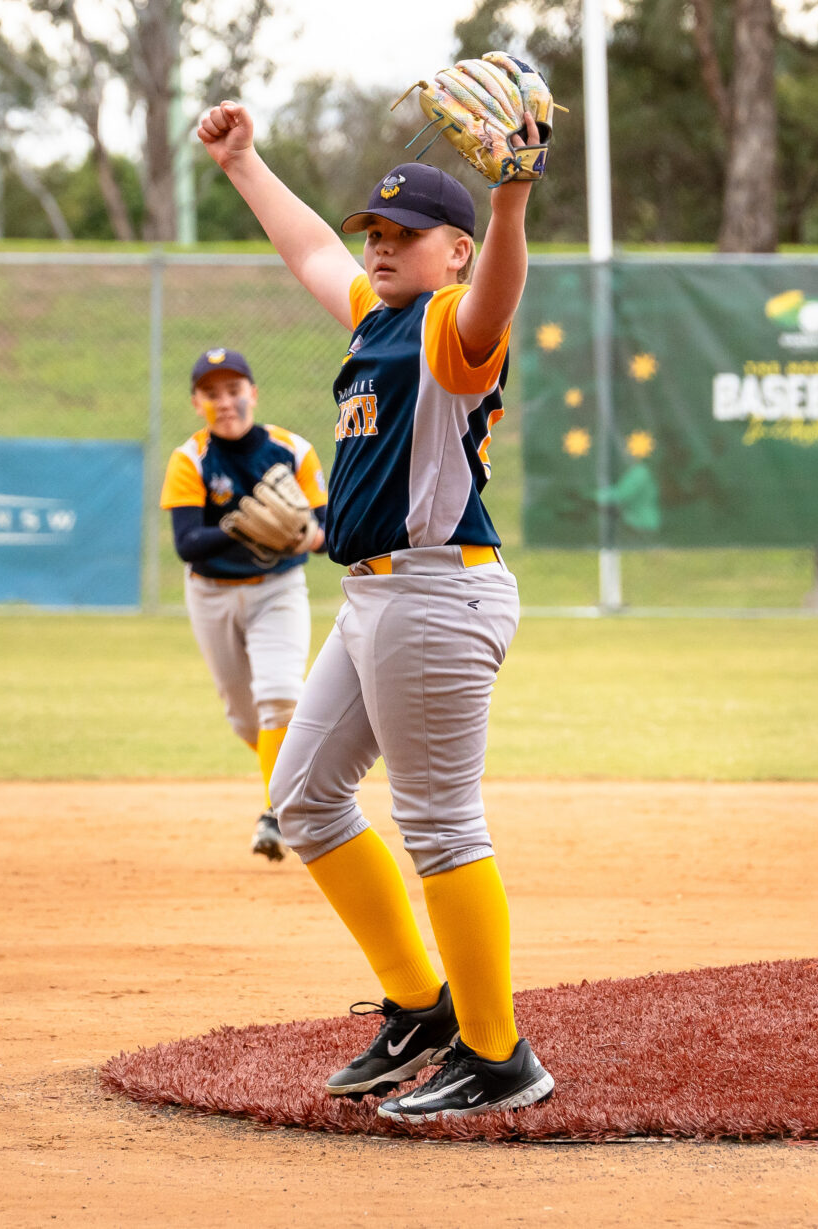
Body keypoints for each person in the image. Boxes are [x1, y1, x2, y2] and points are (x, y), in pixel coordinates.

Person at [196, 99, 553, 1121]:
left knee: (440, 823)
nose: (382, 245)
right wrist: (243, 163)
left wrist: (511, 197)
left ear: (455, 252)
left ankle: (499, 1054)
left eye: (407, 233)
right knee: (305, 797)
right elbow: (311, 248)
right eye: (377, 232)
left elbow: (498, 298)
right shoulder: (376, 316)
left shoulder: (451, 326)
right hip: (375, 597)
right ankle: (421, 1006)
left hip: (438, 591)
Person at [160, 346, 328, 861]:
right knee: (246, 719)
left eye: (234, 390)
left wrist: (310, 536)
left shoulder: (293, 451)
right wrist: (243, 526)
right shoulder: (190, 459)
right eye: (211, 393)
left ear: (253, 393)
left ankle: (278, 813)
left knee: (280, 697)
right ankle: (298, 772)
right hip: (211, 594)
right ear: (197, 404)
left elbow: (330, 533)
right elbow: (188, 543)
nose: (225, 401)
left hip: (278, 589)